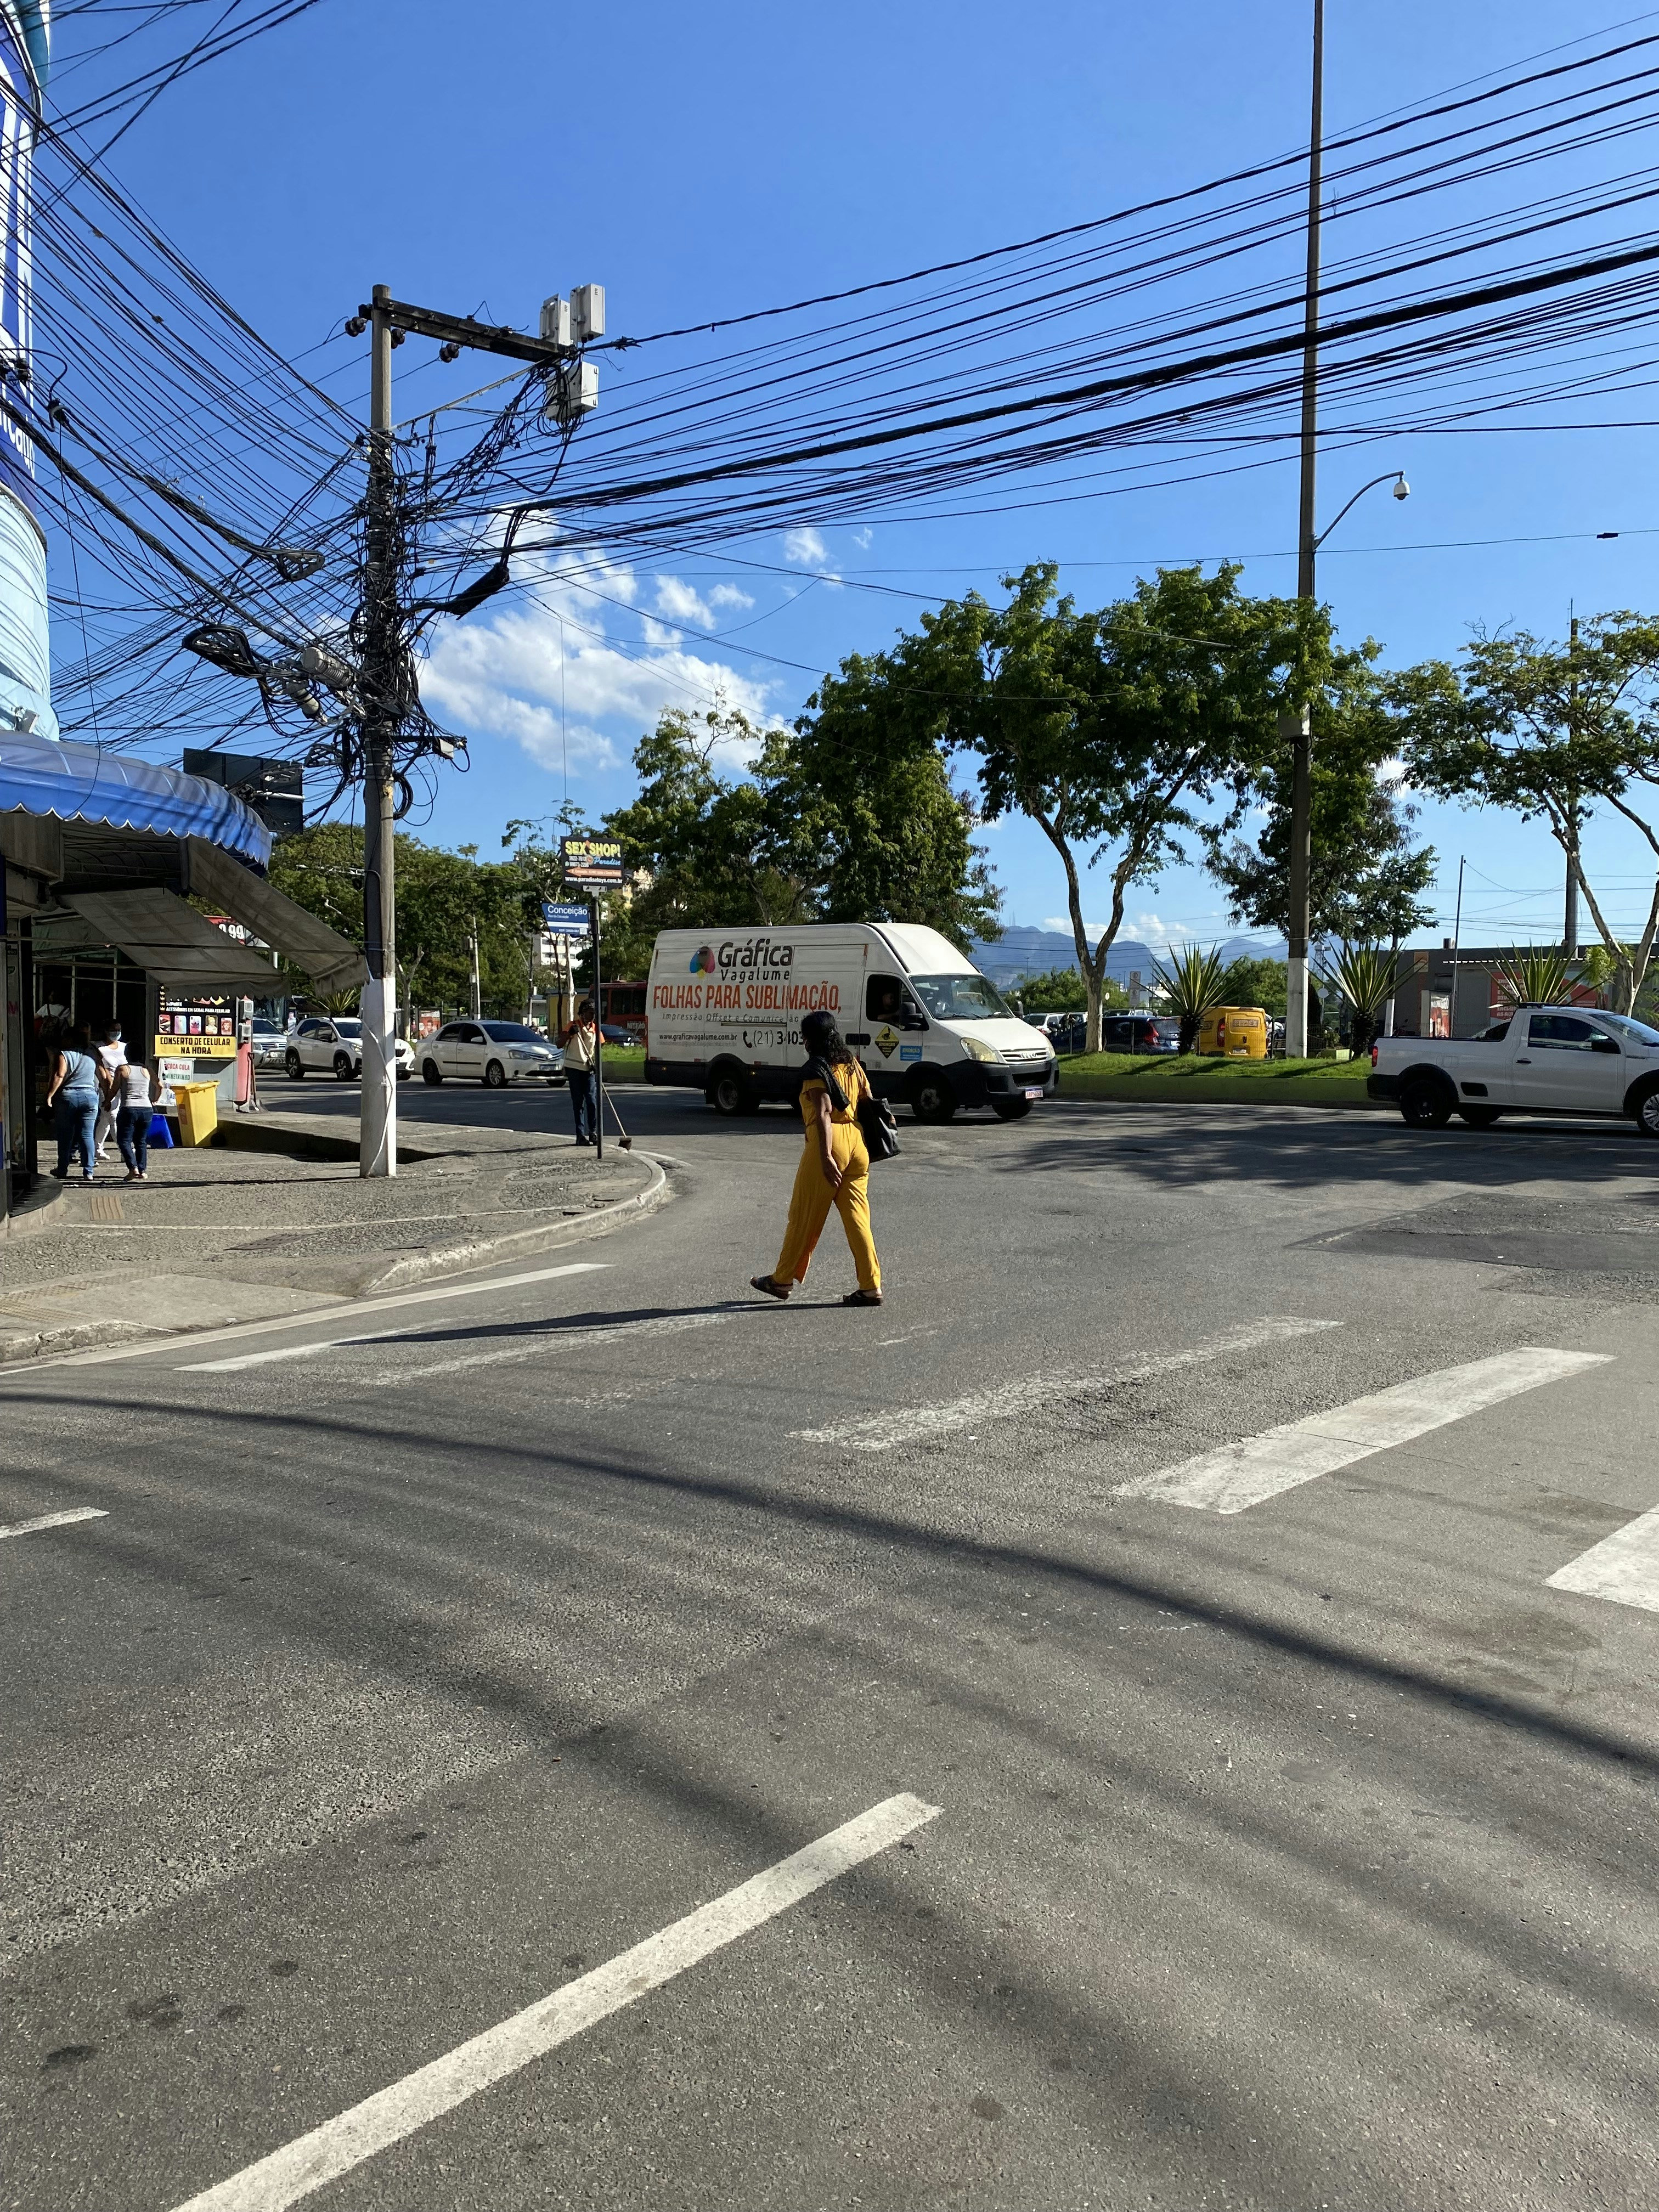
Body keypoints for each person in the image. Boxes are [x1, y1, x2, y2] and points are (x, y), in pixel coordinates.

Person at [752, 1008, 883, 1307]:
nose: (803, 1042)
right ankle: (871, 1286)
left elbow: (823, 1112)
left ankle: (781, 1280)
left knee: (802, 1216)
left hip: (830, 1143)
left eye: (805, 1037)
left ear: (811, 1039)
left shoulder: (816, 1069)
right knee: (858, 1220)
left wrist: (825, 1157)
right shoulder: (851, 1064)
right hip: (857, 1142)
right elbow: (866, 1100)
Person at [46, 1027, 104, 1182]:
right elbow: (102, 1075)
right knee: (87, 1135)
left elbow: (59, 1075)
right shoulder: (92, 1054)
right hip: (90, 1097)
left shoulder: (64, 1055)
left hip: (68, 1097)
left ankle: (62, 1169)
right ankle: (88, 1171)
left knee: (66, 1136)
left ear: (69, 1039)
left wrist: (50, 1095)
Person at [560, 997, 600, 1146]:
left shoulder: (596, 1028)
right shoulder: (573, 1025)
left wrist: (597, 1065)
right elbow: (559, 1044)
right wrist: (570, 1033)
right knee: (578, 1103)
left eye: (595, 1013)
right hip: (574, 1068)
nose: (593, 1017)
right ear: (583, 1013)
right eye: (590, 1013)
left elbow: (598, 1049)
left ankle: (593, 1133)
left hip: (588, 1069)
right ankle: (580, 1136)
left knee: (592, 1101)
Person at [113, 1055, 158, 1182]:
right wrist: (155, 1100)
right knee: (141, 1141)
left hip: (129, 1108)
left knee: (124, 1141)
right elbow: (159, 1084)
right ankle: (142, 1171)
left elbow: (115, 1088)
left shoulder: (122, 1069)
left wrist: (107, 1101)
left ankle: (133, 1167)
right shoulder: (147, 1069)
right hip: (147, 1109)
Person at [94, 1023, 128, 1161]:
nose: (116, 1033)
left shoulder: (125, 1047)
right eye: (113, 1030)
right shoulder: (97, 1047)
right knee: (113, 1118)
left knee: (105, 1120)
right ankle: (124, 1150)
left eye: (118, 1030)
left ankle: (97, 1149)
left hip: (123, 1086)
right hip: (106, 1087)